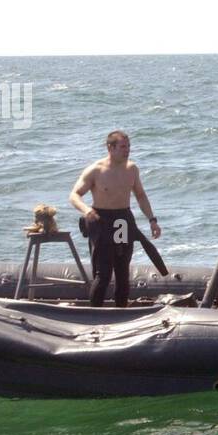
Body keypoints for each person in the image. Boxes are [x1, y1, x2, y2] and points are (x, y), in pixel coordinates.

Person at [69, 130, 161, 307]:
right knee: (103, 274)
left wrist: (152, 220)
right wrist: (86, 209)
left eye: (129, 147)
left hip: (122, 221)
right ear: (110, 148)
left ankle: (121, 312)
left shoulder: (131, 169)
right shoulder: (96, 170)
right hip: (101, 220)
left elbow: (140, 195)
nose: (127, 150)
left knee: (122, 271)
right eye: (123, 147)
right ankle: (94, 314)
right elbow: (74, 195)